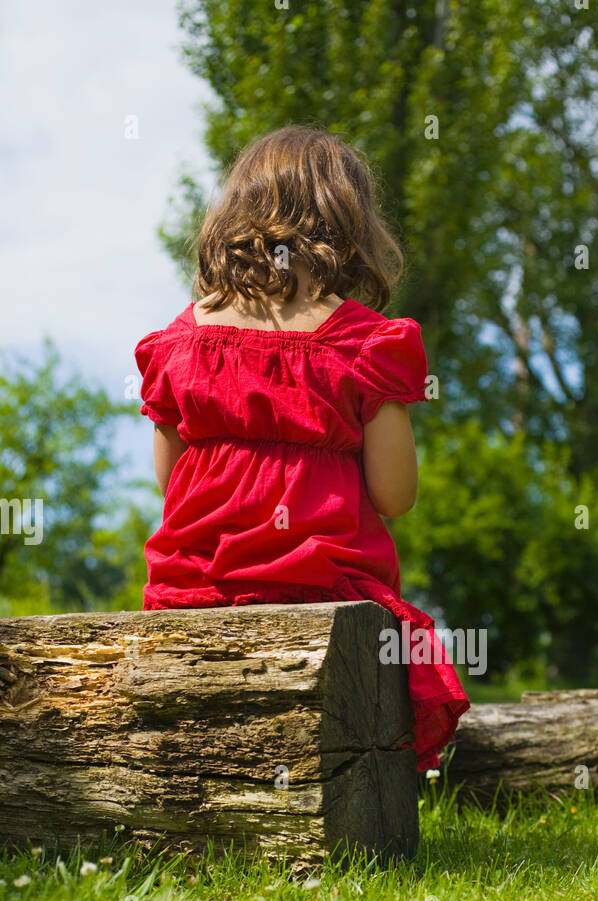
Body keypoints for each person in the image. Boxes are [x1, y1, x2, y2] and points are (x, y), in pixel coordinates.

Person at [135, 126, 469, 771]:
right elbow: (396, 497)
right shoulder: (363, 344)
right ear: (348, 222)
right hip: (326, 587)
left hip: (197, 588)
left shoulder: (177, 343)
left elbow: (169, 487)